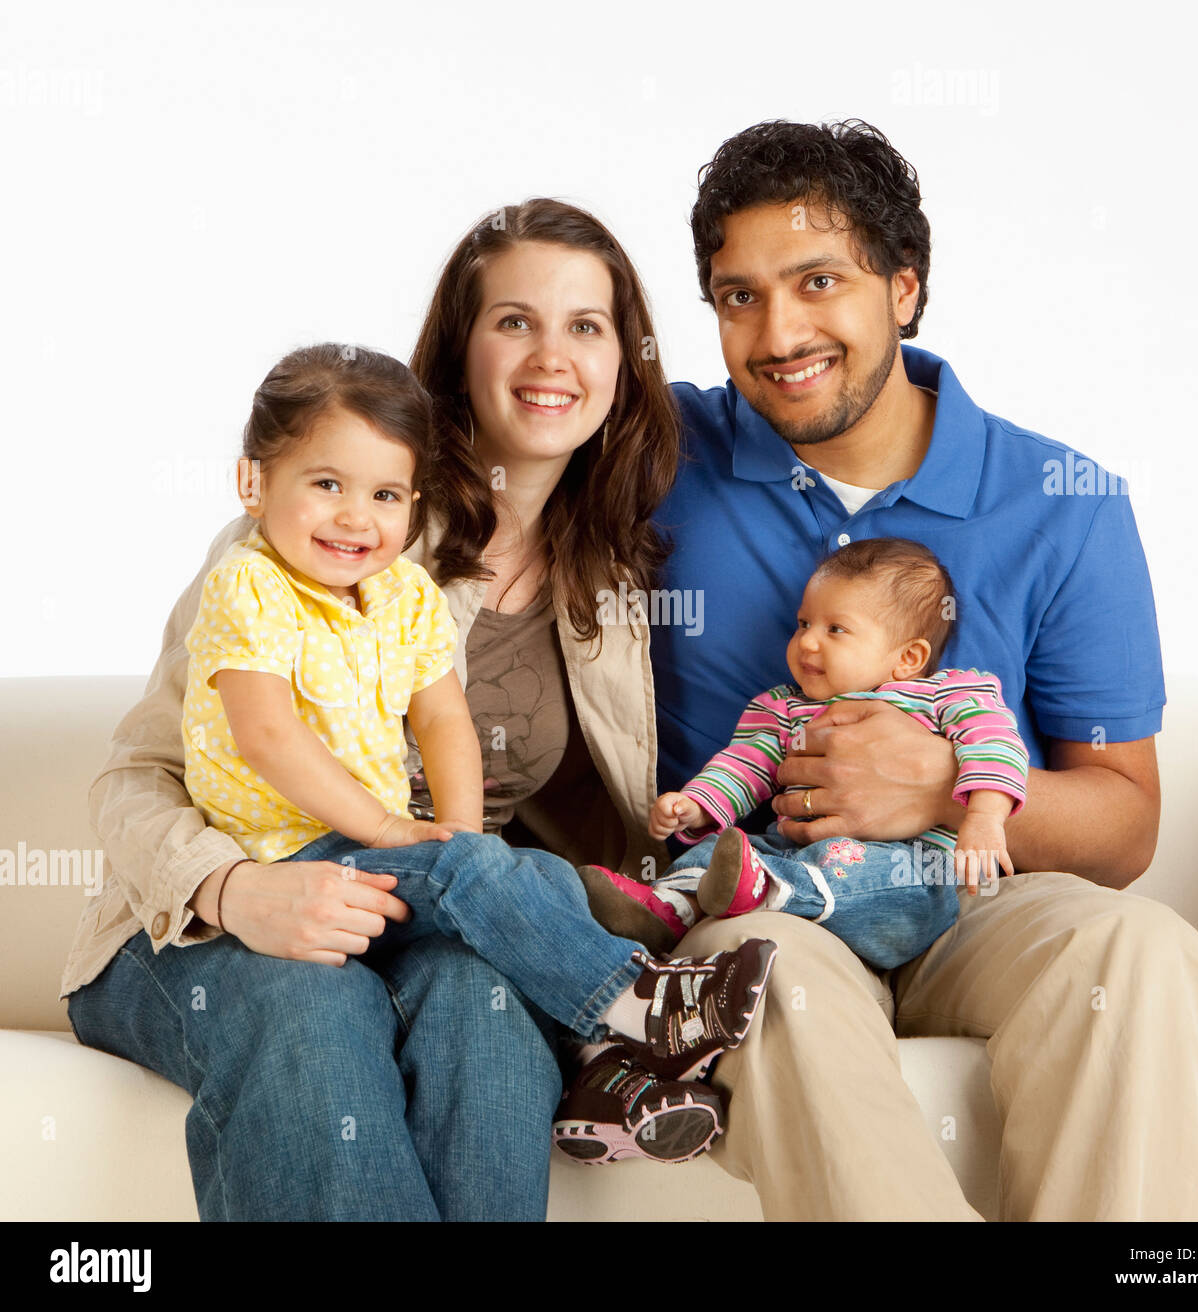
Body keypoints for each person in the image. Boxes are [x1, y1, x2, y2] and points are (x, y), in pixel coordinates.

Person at [60, 198, 734, 1218]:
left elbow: (559, 830)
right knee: (309, 999)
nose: (551, 354)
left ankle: (622, 1015)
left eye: (585, 326)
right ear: (458, 347)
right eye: (514, 320)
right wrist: (238, 889)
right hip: (211, 919)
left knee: (485, 1005)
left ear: (621, 358)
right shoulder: (310, 543)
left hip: (428, 913)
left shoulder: (611, 581)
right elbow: (135, 776)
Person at [638, 119, 1198, 1221]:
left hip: (970, 898)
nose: (779, 332)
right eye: (738, 296)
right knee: (767, 978)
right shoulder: (650, 458)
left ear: (903, 289)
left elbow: (1123, 823)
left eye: (819, 281)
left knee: (1140, 949)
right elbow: (444, 447)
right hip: (762, 896)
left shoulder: (1062, 499)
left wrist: (937, 789)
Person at [181, 342, 776, 1070]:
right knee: (476, 875)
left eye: (385, 495)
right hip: (280, 854)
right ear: (252, 483)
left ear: (415, 503)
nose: (355, 518)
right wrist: (389, 827)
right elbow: (267, 734)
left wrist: (462, 834)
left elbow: (442, 720)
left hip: (368, 850)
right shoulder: (248, 582)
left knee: (548, 880)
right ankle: (646, 1009)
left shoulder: (405, 594)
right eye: (327, 483)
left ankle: (605, 1063)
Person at [576, 536, 1026, 964]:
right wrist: (697, 804)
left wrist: (984, 819)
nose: (808, 641)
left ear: (907, 658)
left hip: (907, 866)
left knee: (902, 882)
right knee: (728, 848)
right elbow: (745, 762)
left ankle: (768, 889)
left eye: (836, 629)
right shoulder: (784, 706)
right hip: (790, 849)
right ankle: (669, 905)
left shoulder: (950, 696)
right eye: (804, 623)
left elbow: (995, 746)